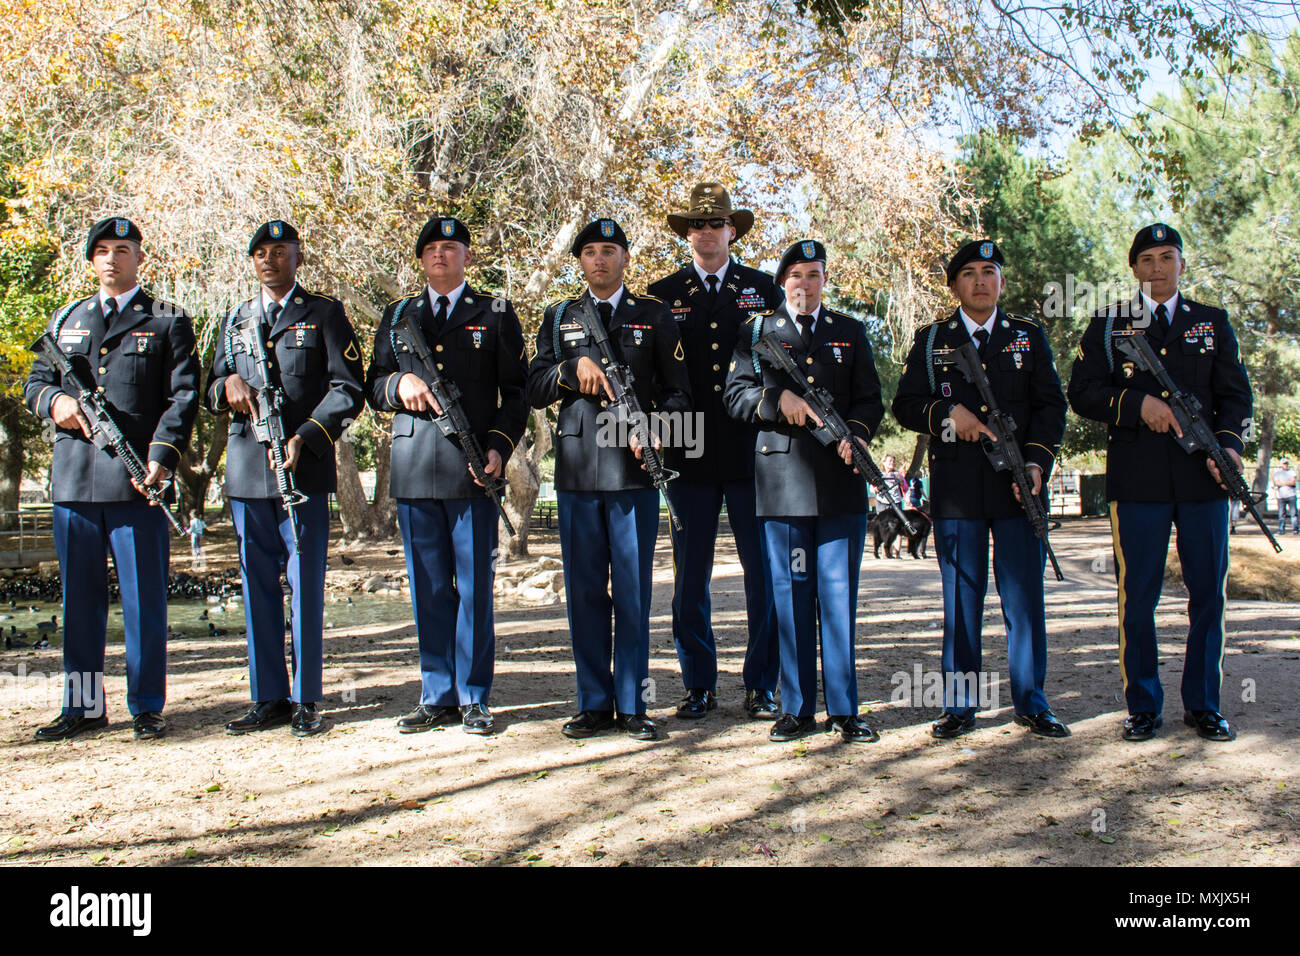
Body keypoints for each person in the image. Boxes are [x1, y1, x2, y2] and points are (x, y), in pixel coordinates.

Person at [1068, 223, 1253, 742]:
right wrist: (1136, 405)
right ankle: (1144, 705)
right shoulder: (1108, 325)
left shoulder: (1212, 323)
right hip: (1139, 482)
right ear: (1134, 269)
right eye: (1146, 260)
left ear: (1182, 265)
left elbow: (1236, 396)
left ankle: (1204, 705)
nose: (1157, 268)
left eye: (1166, 257)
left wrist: (1231, 446)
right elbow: (1081, 392)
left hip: (1205, 479)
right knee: (1138, 595)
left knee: (1208, 597)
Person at [25, 217, 199, 741]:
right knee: (79, 599)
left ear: (139, 257)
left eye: (121, 249)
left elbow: (184, 397)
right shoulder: (68, 318)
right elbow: (35, 380)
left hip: (138, 480)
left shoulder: (168, 319)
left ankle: (146, 705)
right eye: (101, 250)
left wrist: (163, 457)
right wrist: (53, 400)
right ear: (90, 260)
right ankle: (82, 707)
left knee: (145, 599)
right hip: (76, 481)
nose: (110, 259)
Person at [893, 239, 1070, 739]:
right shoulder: (931, 340)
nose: (979, 281)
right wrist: (948, 415)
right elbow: (904, 405)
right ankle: (960, 705)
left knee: (1024, 601)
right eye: (968, 273)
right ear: (954, 285)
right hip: (958, 491)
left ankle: (1031, 702)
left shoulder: (1028, 336)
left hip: (1019, 487)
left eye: (988, 271)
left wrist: (1037, 463)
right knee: (961, 601)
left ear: (1001, 282)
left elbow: (1051, 407)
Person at [526, 217, 692, 741]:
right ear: (580, 261)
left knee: (633, 594)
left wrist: (659, 430)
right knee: (583, 592)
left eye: (609, 250)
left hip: (634, 473)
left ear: (624, 258)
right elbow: (533, 385)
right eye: (591, 251)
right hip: (577, 473)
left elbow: (680, 392)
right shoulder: (559, 318)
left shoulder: (654, 315)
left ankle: (634, 703)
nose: (599, 258)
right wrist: (568, 372)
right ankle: (594, 703)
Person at [365, 215, 528, 735]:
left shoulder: (496, 312)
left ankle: (475, 696)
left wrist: (500, 447)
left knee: (476, 588)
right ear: (420, 259)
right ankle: (436, 694)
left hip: (473, 470)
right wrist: (399, 384)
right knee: (430, 588)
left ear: (468, 258)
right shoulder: (397, 315)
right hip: (414, 469)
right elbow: (372, 385)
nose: (441, 254)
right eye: (431, 247)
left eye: (451, 247)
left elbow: (517, 391)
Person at [205, 220, 365, 737]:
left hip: (304, 472)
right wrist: (226, 383)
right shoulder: (235, 319)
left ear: (297, 257)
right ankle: (267, 696)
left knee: (305, 587)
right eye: (261, 253)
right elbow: (209, 387)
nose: (270, 259)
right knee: (256, 587)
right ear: (252, 262)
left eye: (280, 251)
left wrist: (308, 436)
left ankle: (307, 697)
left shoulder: (324, 314)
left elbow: (348, 389)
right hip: (249, 474)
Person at [724, 239, 884, 743]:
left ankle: (844, 709)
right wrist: (777, 400)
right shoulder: (756, 332)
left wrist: (856, 433)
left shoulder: (850, 332)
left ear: (823, 280)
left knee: (838, 599)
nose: (805, 284)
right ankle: (794, 707)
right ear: (782, 282)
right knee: (790, 598)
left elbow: (870, 400)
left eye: (814, 275)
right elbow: (734, 396)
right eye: (795, 275)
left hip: (841, 486)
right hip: (783, 485)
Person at [646, 182, 780, 721]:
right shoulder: (660, 294)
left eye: (715, 223)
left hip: (754, 453)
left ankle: (761, 684)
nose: (705, 232)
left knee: (762, 575)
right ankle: (698, 683)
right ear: (689, 234)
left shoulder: (765, 290)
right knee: (690, 577)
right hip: (687, 452)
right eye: (696, 225)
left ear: (732, 231)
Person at [1274, 458, 1297, 534]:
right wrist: (1287, 482)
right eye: (1284, 463)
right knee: (1281, 514)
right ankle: (1281, 529)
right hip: (1281, 497)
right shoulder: (1277, 473)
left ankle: (1295, 529)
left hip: (1291, 495)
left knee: (1293, 514)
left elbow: (1293, 483)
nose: (1285, 465)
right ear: (1281, 464)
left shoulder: (1292, 472)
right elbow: (1277, 483)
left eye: (1286, 463)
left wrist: (1282, 483)